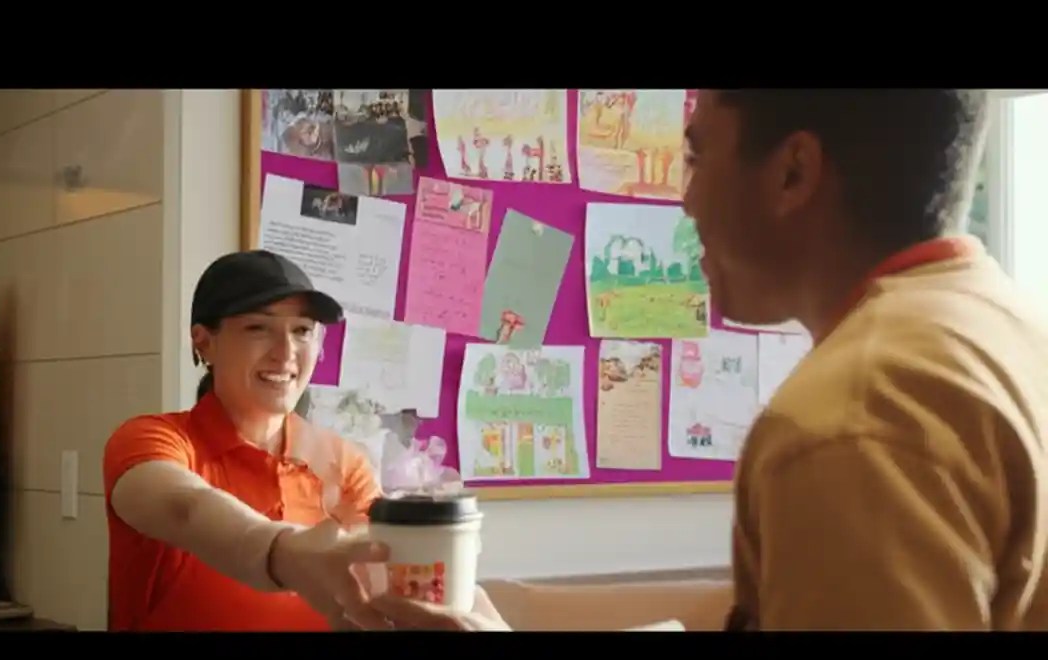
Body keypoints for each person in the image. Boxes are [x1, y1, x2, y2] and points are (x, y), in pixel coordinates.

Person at [373, 88, 1048, 631]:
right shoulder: (1002, 327)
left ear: (793, 172)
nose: (686, 199)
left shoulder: (853, 419)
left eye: (697, 155)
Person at [101, 249, 390, 631]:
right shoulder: (154, 439)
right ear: (204, 343)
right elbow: (186, 508)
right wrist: (283, 553)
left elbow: (385, 568)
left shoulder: (343, 462)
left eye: (302, 330)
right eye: (258, 328)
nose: (286, 353)